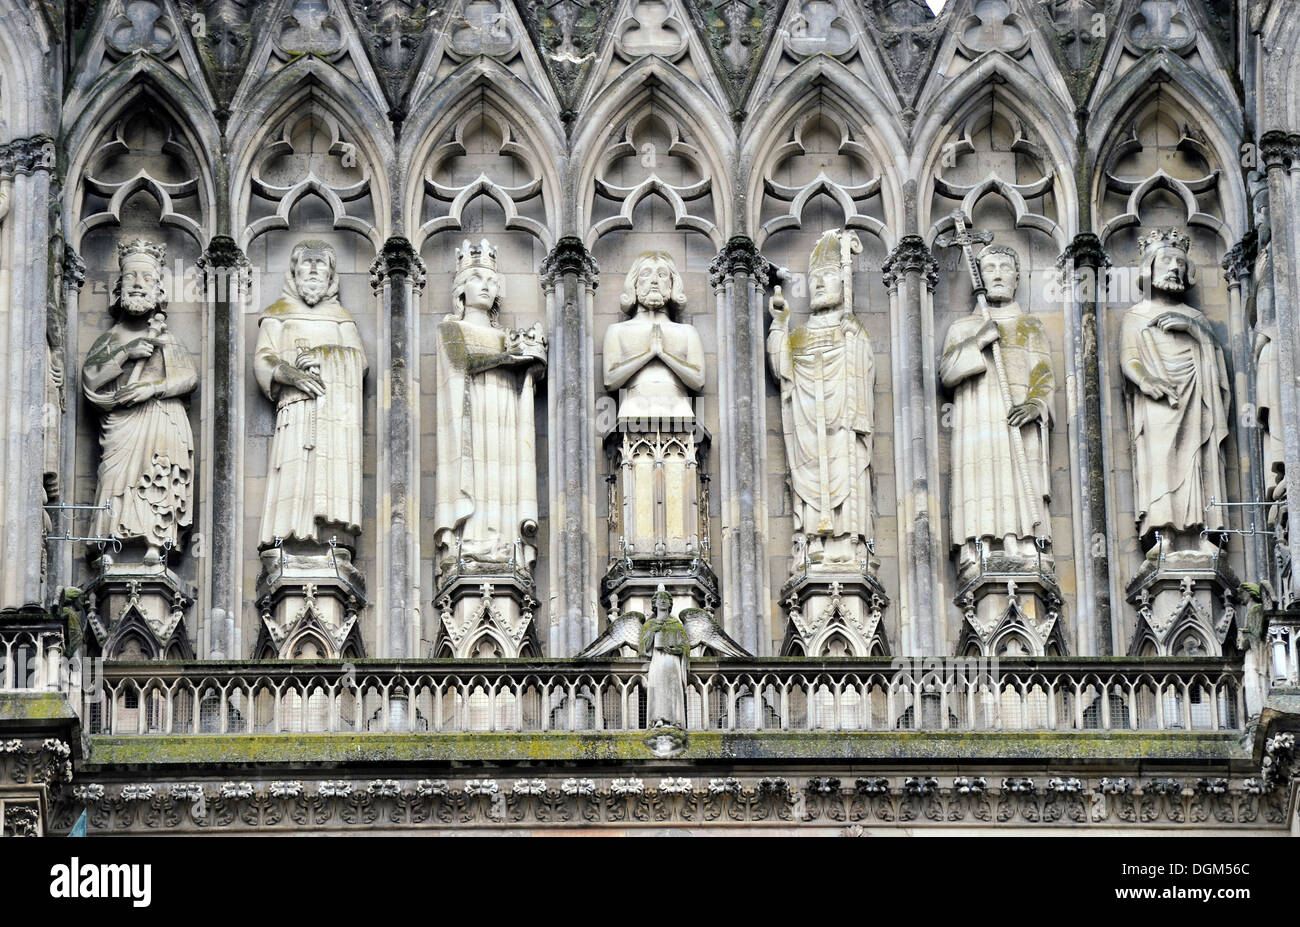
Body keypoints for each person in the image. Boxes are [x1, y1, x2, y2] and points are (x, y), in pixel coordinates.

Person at [940, 245, 1054, 579]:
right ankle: (982, 547)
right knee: (984, 480)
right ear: (980, 277)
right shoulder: (963, 327)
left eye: (1006, 267)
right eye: (990, 268)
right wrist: (976, 342)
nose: (999, 274)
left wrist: (1035, 404)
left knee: (1021, 481)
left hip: (1019, 421)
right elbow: (947, 373)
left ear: (1017, 277)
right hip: (979, 424)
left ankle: (1027, 544)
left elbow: (1044, 374)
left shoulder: (1030, 326)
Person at [82, 238, 197, 566]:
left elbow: (188, 378)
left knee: (155, 478)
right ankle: (108, 543)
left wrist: (153, 389)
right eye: (131, 277)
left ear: (159, 292)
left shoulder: (165, 338)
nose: (137, 284)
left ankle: (154, 543)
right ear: (118, 289)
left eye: (146, 279)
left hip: (160, 420)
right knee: (115, 479)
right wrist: (126, 354)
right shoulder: (111, 339)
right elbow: (91, 378)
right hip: (122, 426)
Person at [1119, 229, 1229, 557]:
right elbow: (1129, 358)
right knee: (1161, 457)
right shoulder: (1135, 316)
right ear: (1148, 268)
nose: (1174, 268)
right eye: (1166, 260)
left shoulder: (1197, 318)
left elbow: (1216, 362)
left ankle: (1204, 533)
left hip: (1196, 395)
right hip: (1157, 400)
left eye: (1180, 262)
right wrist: (1146, 381)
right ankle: (1162, 531)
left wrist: (1193, 330)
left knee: (1198, 457)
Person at [254, 240, 367, 552]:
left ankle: (332, 543)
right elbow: (264, 358)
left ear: (331, 276)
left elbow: (359, 361)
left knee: (329, 476)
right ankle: (288, 541)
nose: (315, 269)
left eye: (322, 264)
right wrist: (289, 373)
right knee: (293, 472)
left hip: (332, 418)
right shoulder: (278, 314)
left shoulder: (340, 317)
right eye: (308, 262)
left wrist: (324, 358)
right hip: (295, 410)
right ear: (294, 272)